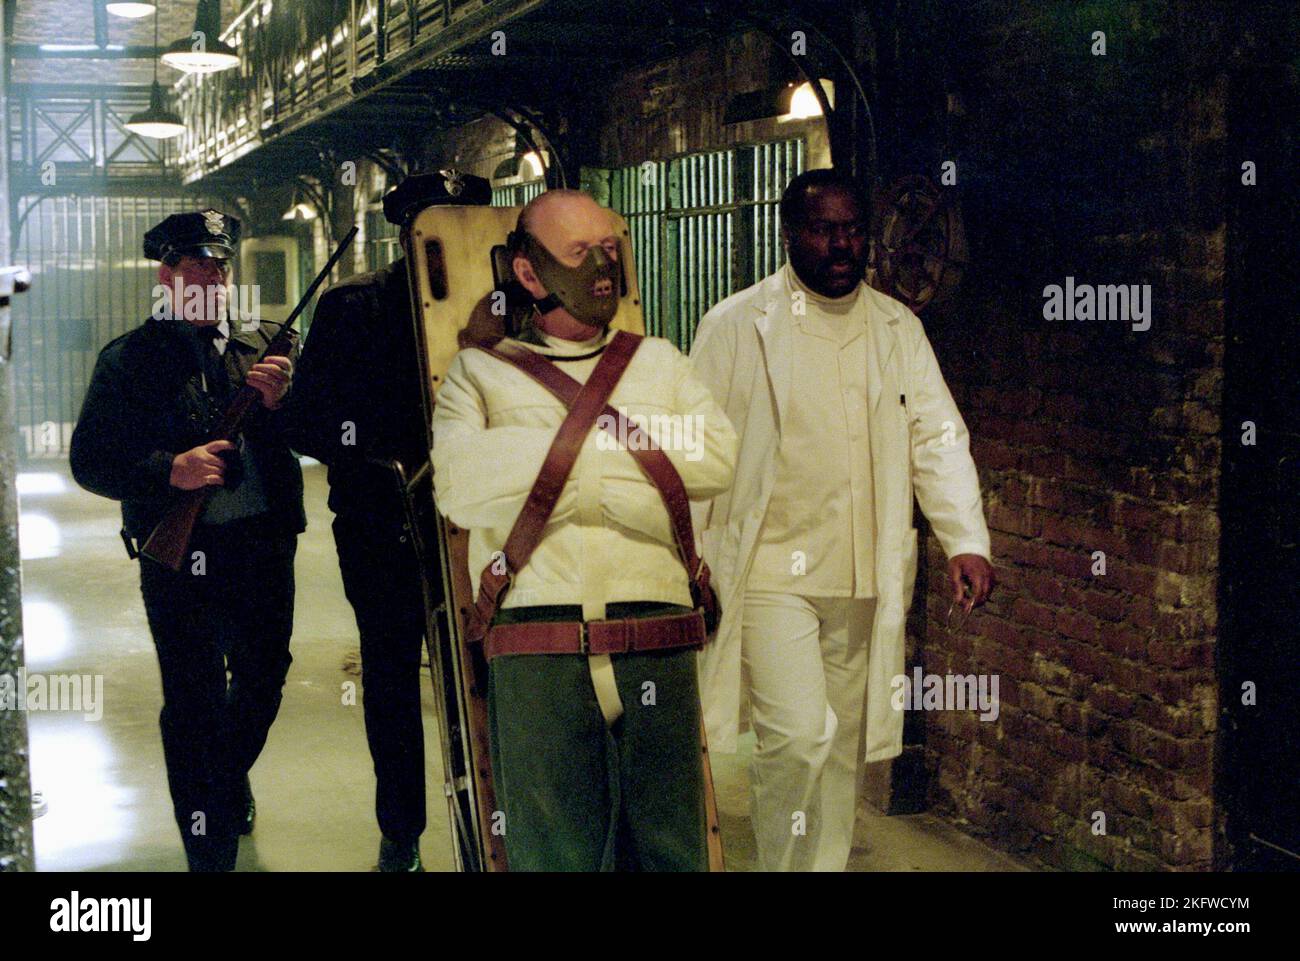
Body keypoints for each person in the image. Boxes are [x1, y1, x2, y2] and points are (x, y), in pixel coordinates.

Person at [690, 169, 994, 872]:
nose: (842, 244)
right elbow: (695, 449)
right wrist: (690, 557)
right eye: (823, 229)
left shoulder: (897, 329)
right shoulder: (736, 325)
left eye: (853, 228)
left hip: (861, 573)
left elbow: (937, 438)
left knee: (841, 748)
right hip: (770, 571)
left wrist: (965, 539)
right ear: (789, 232)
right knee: (796, 736)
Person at [431, 188, 738, 871]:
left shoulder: (661, 363)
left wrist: (551, 460)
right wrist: (632, 457)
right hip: (536, 643)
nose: (602, 264)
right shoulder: (478, 377)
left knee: (669, 852)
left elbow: (715, 460)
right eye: (579, 251)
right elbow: (461, 485)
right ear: (530, 273)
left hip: (656, 632)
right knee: (553, 855)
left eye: (609, 247)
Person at [70, 209, 303, 872]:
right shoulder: (130, 361)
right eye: (198, 265)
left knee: (265, 680)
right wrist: (167, 470)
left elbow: (318, 437)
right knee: (195, 699)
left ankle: (224, 778)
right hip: (181, 559)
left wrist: (287, 403)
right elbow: (89, 460)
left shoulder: (264, 348)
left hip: (263, 551)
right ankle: (209, 846)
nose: (213, 276)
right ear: (166, 276)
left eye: (221, 266)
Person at [284, 170, 491, 872]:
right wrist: (378, 448)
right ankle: (401, 830)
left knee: (491, 670)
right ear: (410, 232)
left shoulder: (502, 306)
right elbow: (308, 421)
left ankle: (495, 823)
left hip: (482, 522)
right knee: (395, 673)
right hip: (382, 522)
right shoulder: (356, 307)